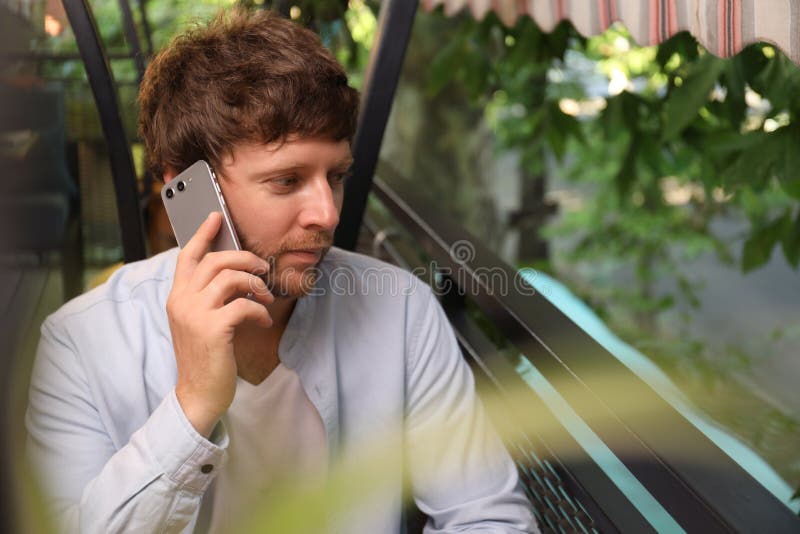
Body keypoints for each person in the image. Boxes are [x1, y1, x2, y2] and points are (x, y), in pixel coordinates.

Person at [25, 9, 537, 533]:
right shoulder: (81, 343)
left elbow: (488, 517)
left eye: (335, 176)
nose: (329, 213)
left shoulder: (401, 310)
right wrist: (192, 409)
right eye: (287, 181)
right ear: (188, 188)